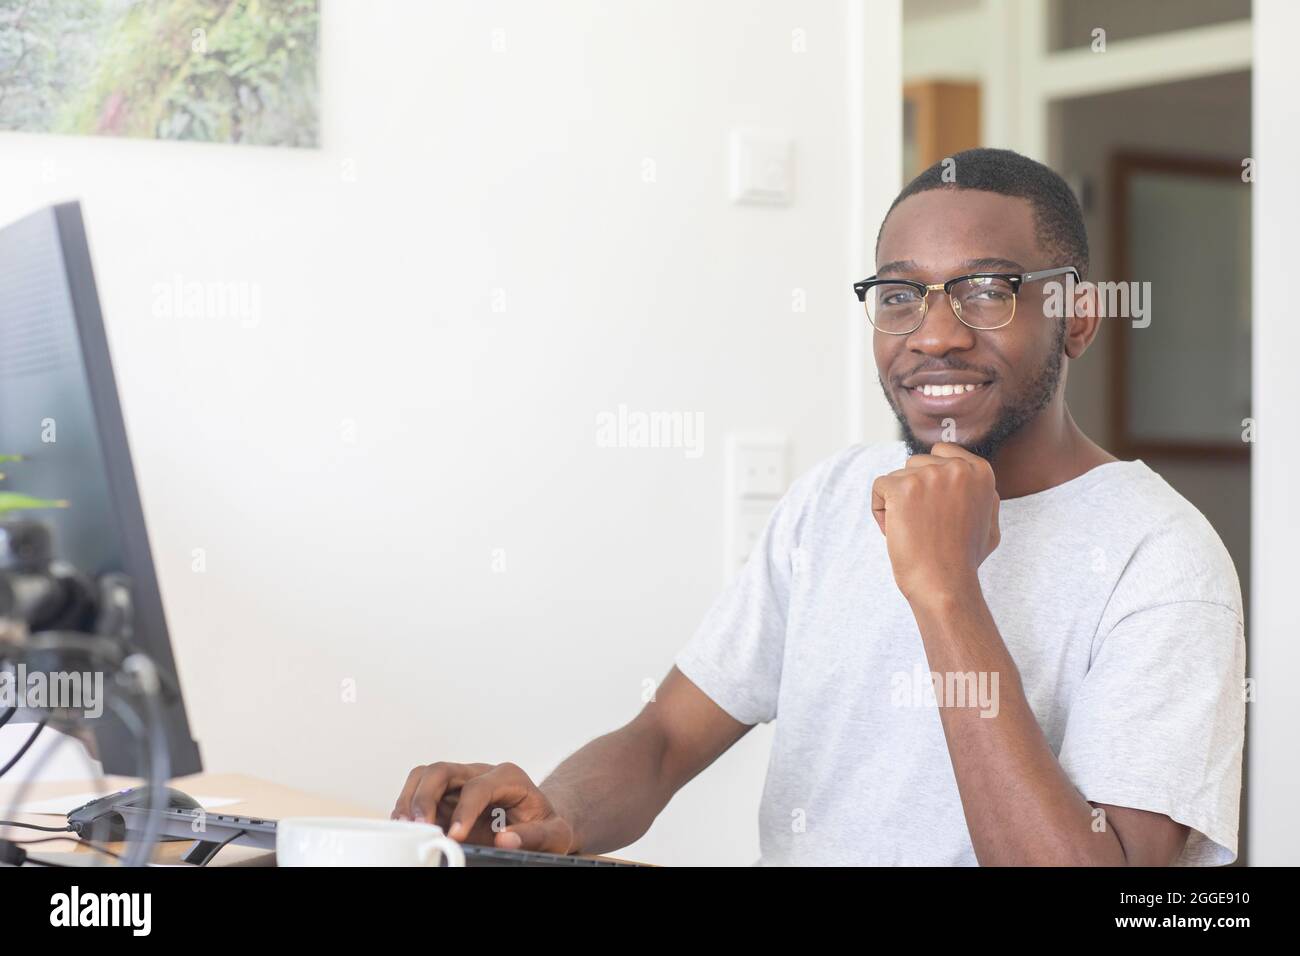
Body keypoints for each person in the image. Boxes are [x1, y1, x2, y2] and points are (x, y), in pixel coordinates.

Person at [391, 148, 1245, 866]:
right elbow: (664, 739)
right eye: (901, 295)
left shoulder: (1160, 557)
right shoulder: (834, 499)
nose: (935, 334)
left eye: (988, 290)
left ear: (1079, 318)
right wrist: (553, 814)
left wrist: (946, 590)